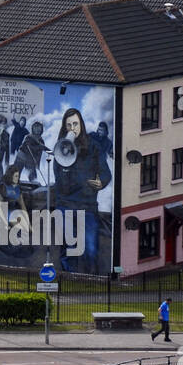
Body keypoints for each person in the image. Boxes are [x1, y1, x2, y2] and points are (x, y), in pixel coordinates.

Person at [52, 108, 112, 275]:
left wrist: (101, 183)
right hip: (65, 206)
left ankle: (91, 279)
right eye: (69, 125)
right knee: (68, 248)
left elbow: (106, 173)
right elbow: (60, 182)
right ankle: (69, 279)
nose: (73, 128)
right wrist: (65, 160)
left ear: (82, 125)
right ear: (64, 128)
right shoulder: (61, 148)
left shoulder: (94, 147)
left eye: (76, 124)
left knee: (91, 248)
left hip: (87, 206)